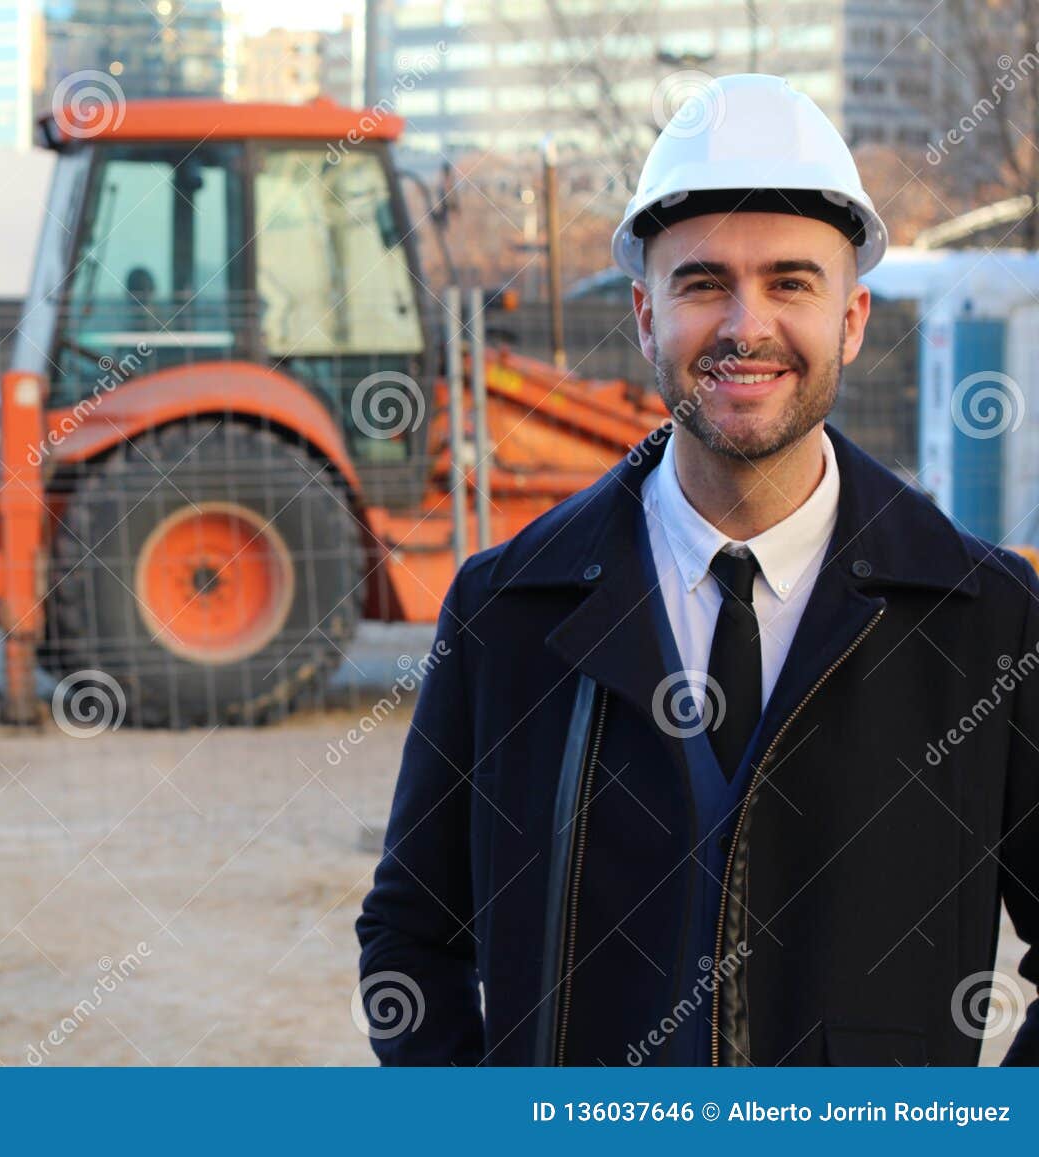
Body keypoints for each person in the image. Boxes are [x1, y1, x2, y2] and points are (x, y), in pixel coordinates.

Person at [355, 74, 1039, 1066]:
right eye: (702, 281)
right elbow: (409, 940)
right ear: (644, 314)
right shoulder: (507, 609)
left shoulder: (984, 620)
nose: (744, 325)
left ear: (849, 320)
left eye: (790, 282)